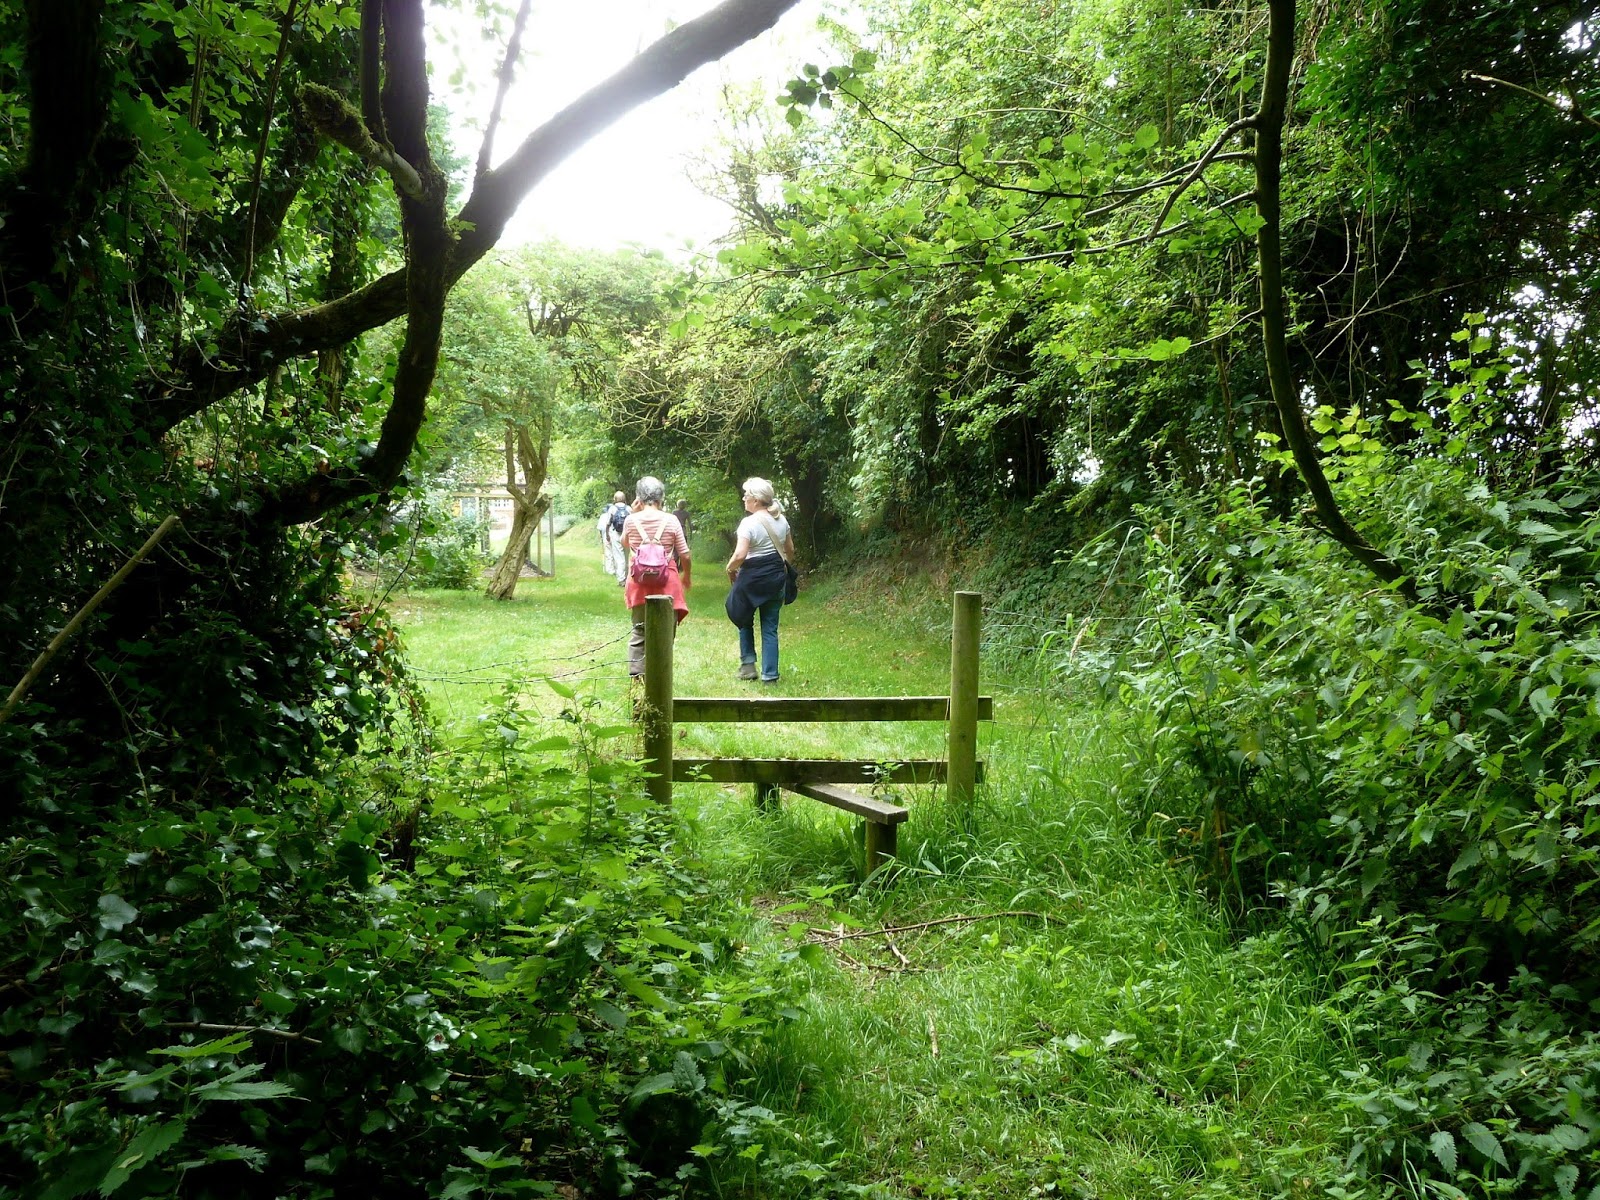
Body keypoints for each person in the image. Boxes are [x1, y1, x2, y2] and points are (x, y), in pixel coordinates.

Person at [724, 477, 794, 683]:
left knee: (743, 617)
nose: (744, 498)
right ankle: (770, 675)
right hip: (775, 579)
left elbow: (740, 555)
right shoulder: (782, 520)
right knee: (770, 627)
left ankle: (748, 666)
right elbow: (790, 550)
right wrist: (778, 567)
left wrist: (729, 569)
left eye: (747, 494)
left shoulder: (749, 523)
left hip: (751, 581)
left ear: (756, 500)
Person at [621, 477, 691, 678]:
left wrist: (633, 514)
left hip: (638, 583)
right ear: (661, 498)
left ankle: (638, 678)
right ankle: (660, 677)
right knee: (666, 633)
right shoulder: (671, 520)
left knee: (639, 631)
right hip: (667, 583)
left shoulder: (631, 519)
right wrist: (687, 576)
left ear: (639, 498)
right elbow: (684, 554)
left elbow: (625, 543)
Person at [597, 490, 628, 585]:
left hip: (616, 535)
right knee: (626, 556)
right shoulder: (629, 509)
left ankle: (621, 578)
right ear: (624, 499)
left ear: (615, 499)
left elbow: (608, 524)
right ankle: (627, 576)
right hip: (627, 535)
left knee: (619, 557)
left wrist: (607, 535)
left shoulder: (612, 509)